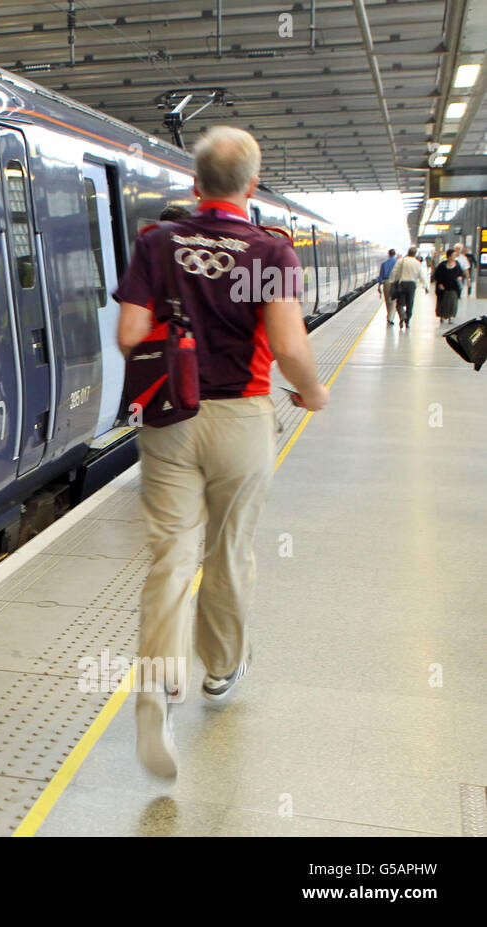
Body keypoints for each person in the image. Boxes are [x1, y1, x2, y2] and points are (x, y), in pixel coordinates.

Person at [115, 126, 329, 778]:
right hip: (242, 417)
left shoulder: (157, 243)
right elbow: (289, 344)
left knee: (171, 553)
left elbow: (130, 336)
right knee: (229, 549)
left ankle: (155, 684)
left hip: (171, 416)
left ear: (194, 184)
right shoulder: (269, 250)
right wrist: (313, 392)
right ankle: (222, 667)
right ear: (251, 187)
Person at [390, 247, 427, 330]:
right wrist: (426, 286)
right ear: (415, 254)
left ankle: (402, 316)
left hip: (402, 284)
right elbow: (422, 275)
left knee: (400, 303)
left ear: (408, 252)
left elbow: (394, 272)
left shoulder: (401, 261)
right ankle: (407, 321)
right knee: (410, 304)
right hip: (412, 285)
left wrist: (392, 282)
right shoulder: (417, 263)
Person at [433, 251, 465, 324]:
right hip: (443, 287)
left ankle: (451, 316)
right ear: (449, 256)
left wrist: (460, 277)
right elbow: (437, 275)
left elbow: (461, 273)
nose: (455, 256)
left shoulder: (457, 264)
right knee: (442, 301)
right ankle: (441, 315)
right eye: (453, 255)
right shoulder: (442, 265)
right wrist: (440, 283)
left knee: (452, 302)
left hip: (453, 287)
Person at [378, 248, 398, 325]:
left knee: (387, 300)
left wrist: (379, 286)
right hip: (394, 282)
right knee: (393, 300)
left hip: (386, 282)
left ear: (388, 254)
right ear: (395, 254)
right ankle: (390, 318)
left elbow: (381, 275)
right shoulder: (397, 262)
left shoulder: (384, 263)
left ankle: (389, 316)